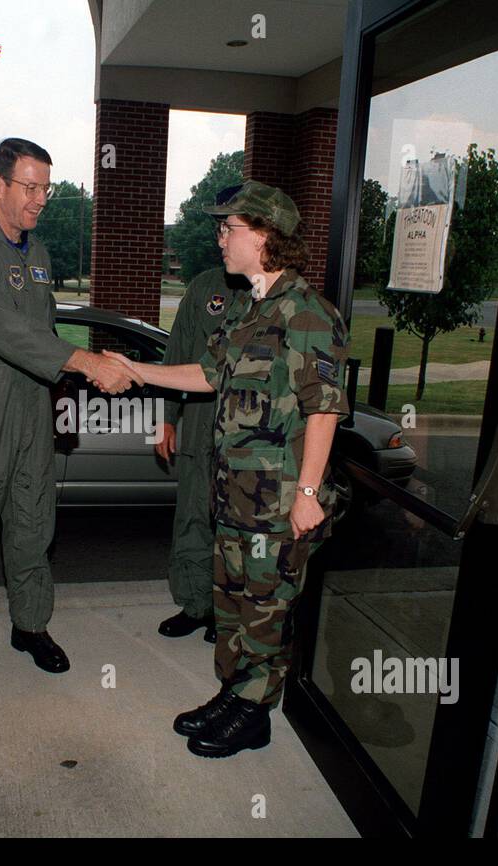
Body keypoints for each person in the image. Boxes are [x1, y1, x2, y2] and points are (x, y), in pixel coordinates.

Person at [106, 180, 350, 758]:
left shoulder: (309, 313)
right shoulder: (249, 308)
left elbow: (325, 409)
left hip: (277, 503)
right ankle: (234, 694)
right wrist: (137, 371)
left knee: (265, 610)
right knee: (233, 602)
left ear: (263, 235)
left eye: (228, 228)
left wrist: (309, 492)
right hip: (234, 497)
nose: (219, 239)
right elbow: (205, 375)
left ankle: (256, 715)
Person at [0, 137, 139, 676]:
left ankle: (30, 626)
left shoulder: (38, 252)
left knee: (33, 520)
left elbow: (41, 329)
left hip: (32, 400)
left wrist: (64, 392)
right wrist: (85, 363)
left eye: (46, 187)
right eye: (31, 186)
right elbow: (1, 329)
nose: (42, 198)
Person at [156, 186, 250, 644]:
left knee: (231, 529)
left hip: (244, 438)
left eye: (228, 227)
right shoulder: (204, 287)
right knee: (191, 519)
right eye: (218, 229)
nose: (219, 239)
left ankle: (223, 612)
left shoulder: (269, 293)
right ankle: (193, 604)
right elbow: (176, 354)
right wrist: (167, 418)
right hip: (197, 425)